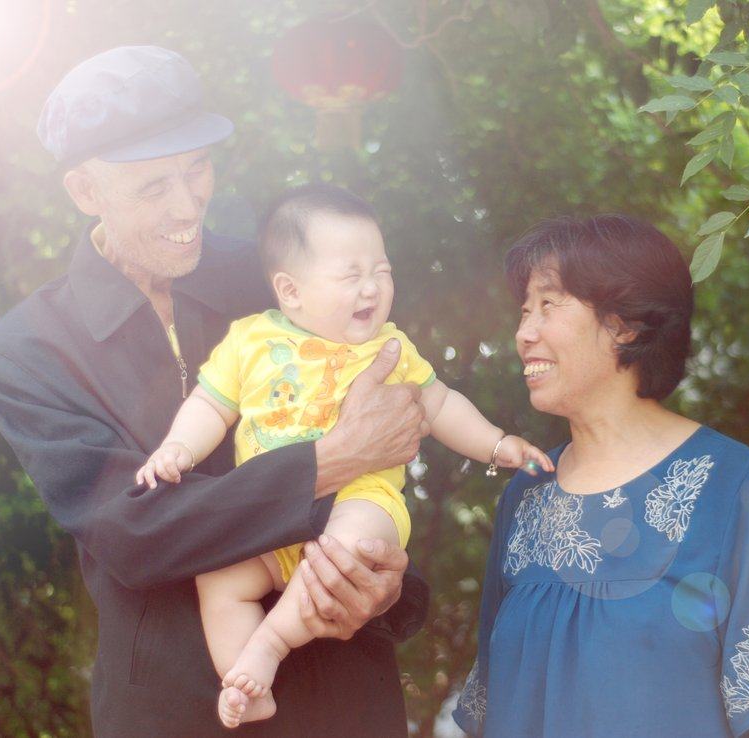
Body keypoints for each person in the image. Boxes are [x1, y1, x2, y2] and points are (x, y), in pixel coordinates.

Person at [0, 45, 430, 738]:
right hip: (170, 710)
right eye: (153, 186)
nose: (188, 204)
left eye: (198, 169)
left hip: (343, 694)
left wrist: (389, 589)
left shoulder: (281, 279)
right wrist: (330, 460)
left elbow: (389, 446)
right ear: (86, 192)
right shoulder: (27, 350)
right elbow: (131, 531)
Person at [134, 184, 554, 727]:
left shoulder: (391, 348)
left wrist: (496, 443)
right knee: (217, 577)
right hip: (268, 521)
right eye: (350, 275)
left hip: (360, 500)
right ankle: (241, 682)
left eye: (382, 271)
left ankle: (268, 647)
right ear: (291, 290)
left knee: (350, 544)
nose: (371, 288)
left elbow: (441, 404)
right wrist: (177, 449)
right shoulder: (249, 340)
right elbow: (210, 405)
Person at [453, 214, 749, 738]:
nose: (524, 333)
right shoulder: (527, 493)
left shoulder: (729, 483)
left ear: (624, 324)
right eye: (525, 310)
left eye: (549, 305)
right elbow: (489, 709)